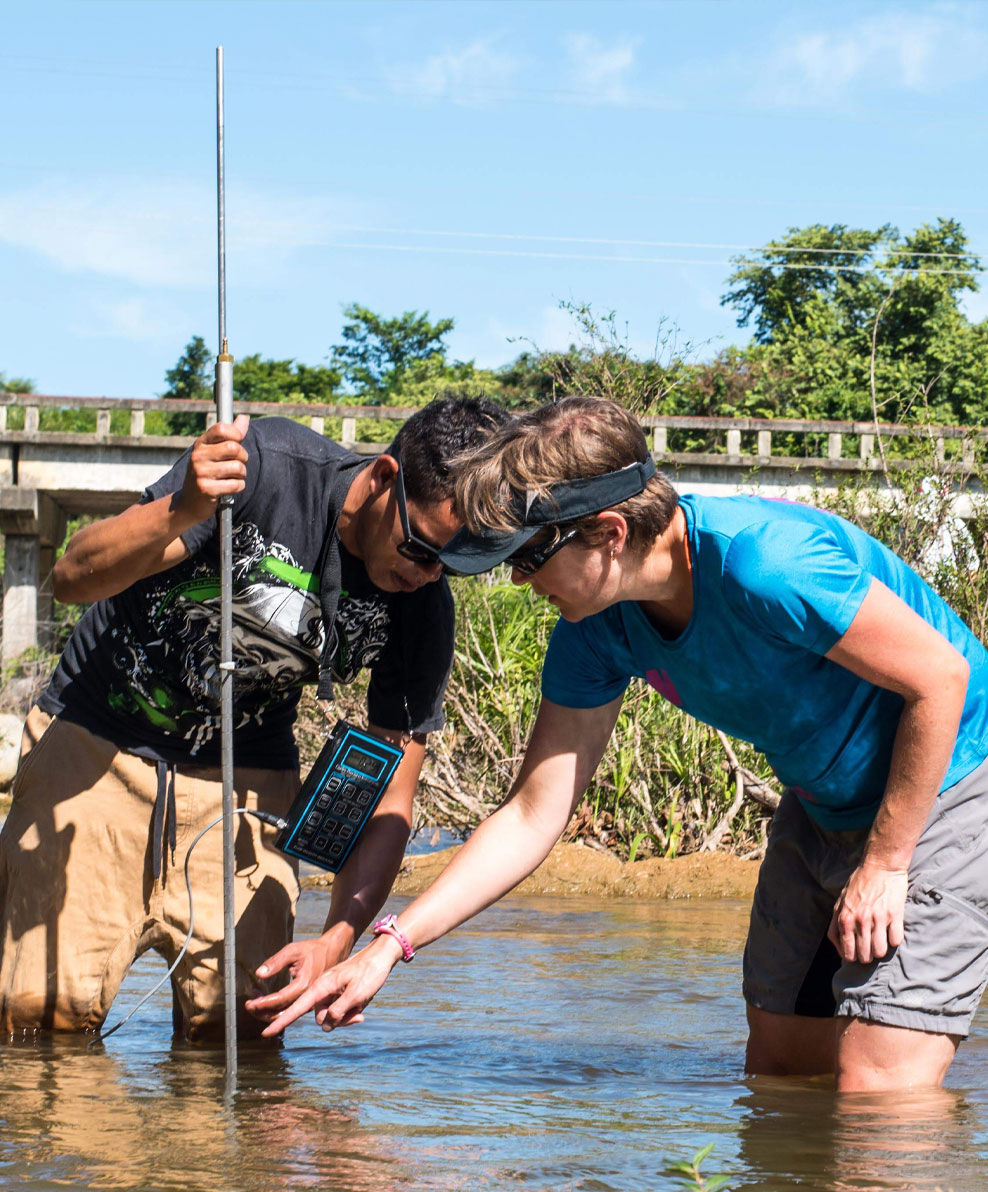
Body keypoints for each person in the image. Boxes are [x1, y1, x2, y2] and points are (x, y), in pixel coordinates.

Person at [263, 396, 988, 1094]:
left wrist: (887, 864)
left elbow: (941, 677)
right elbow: (530, 816)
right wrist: (387, 948)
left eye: (526, 558)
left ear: (609, 533)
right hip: (822, 801)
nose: (517, 581)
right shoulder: (595, 628)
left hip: (950, 783)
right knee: (780, 1079)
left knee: (877, 1091)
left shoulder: (764, 563)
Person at [0, 395, 507, 1040]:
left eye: (451, 567)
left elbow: (392, 795)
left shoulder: (422, 605)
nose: (428, 576)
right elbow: (71, 578)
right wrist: (183, 508)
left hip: (245, 780)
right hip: (98, 743)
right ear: (383, 479)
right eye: (420, 550)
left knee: (244, 1033)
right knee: (41, 1026)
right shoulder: (260, 468)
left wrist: (338, 941)